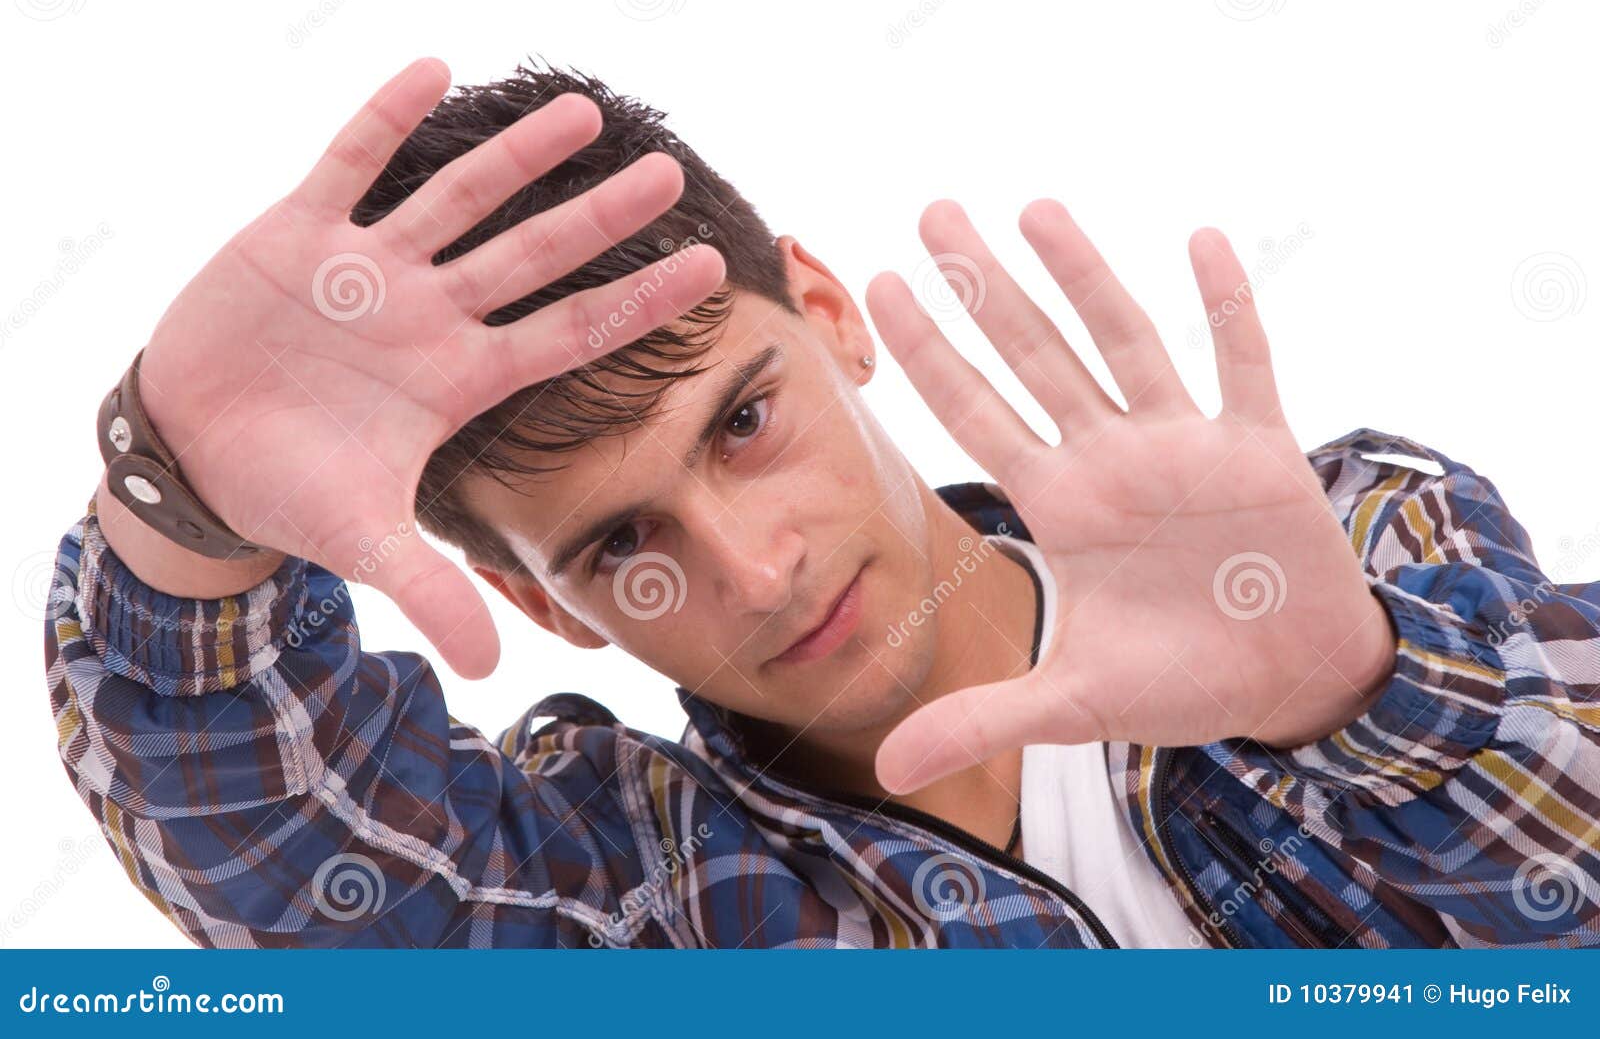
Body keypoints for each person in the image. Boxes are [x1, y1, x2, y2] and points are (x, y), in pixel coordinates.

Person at [45, 57, 1599, 948]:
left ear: (828, 310)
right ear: (533, 601)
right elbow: (267, 830)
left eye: (742, 422)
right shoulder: (635, 891)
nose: (758, 566)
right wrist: (181, 483)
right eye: (617, 542)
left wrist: (1353, 691)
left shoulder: (1350, 546)